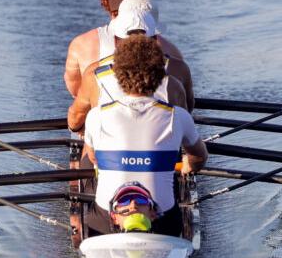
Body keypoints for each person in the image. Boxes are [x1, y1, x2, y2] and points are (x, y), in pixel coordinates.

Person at [80, 34, 207, 237]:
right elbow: (200, 157)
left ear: (118, 74)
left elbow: (93, 157)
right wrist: (189, 165)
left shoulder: (96, 116)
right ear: (160, 75)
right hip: (161, 218)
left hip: (108, 217)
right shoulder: (178, 116)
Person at [64, 0, 194, 126]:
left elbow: (76, 97)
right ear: (147, 2)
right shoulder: (173, 55)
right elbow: (186, 110)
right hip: (159, 135)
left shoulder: (80, 46)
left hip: (101, 134)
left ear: (106, 2)